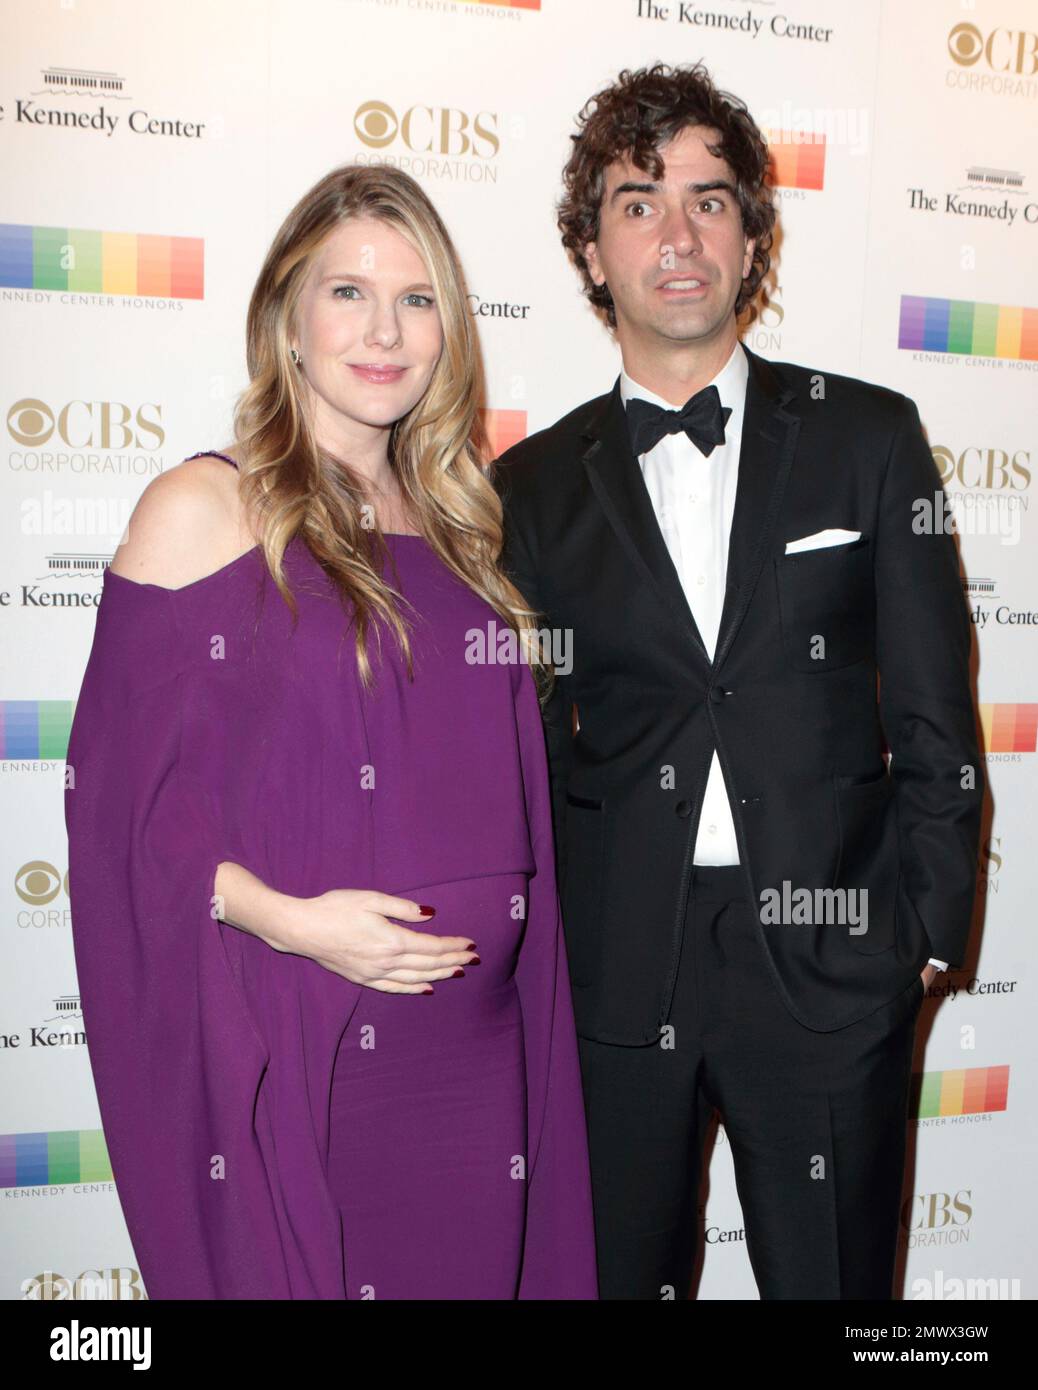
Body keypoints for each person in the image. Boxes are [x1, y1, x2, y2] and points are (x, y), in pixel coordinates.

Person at [492, 61, 983, 1300]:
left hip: (828, 965)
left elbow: (936, 710)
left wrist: (920, 935)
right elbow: (530, 749)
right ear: (592, 251)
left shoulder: (870, 437)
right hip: (616, 974)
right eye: (638, 200)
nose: (678, 232)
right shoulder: (531, 486)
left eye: (712, 200)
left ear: (752, 237)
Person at [64, 163, 597, 1300]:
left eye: (416, 300)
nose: (385, 330)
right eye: (349, 292)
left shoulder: (464, 529)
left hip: (476, 1066)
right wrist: (297, 925)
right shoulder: (204, 509)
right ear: (286, 319)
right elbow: (122, 827)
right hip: (313, 1050)